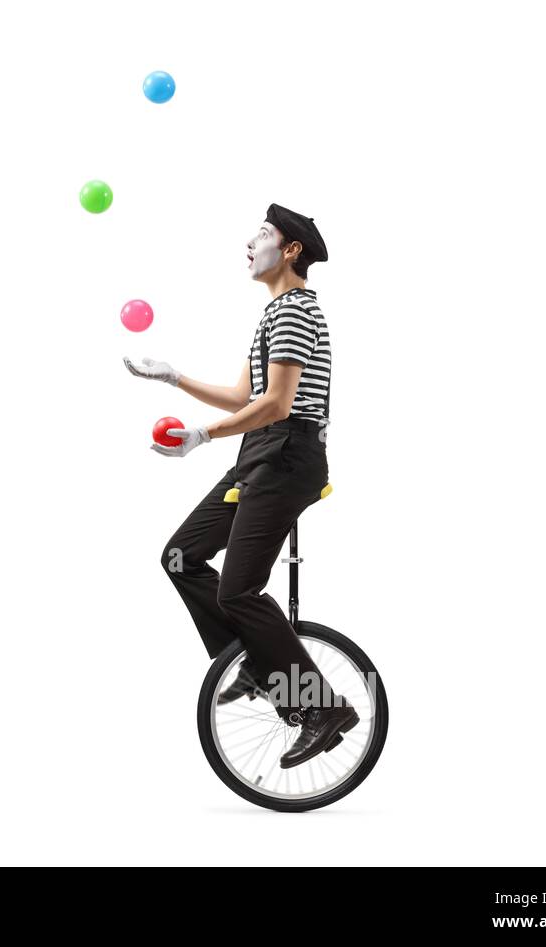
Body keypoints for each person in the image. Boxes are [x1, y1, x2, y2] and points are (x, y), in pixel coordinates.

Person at [123, 203, 357, 770]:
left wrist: (202, 436)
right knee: (181, 556)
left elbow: (276, 406)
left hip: (287, 457)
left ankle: (321, 708)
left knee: (238, 591)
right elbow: (244, 398)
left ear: (291, 250)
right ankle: (252, 665)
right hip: (261, 454)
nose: (248, 244)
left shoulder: (297, 312)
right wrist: (173, 376)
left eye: (261, 235)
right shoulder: (275, 313)